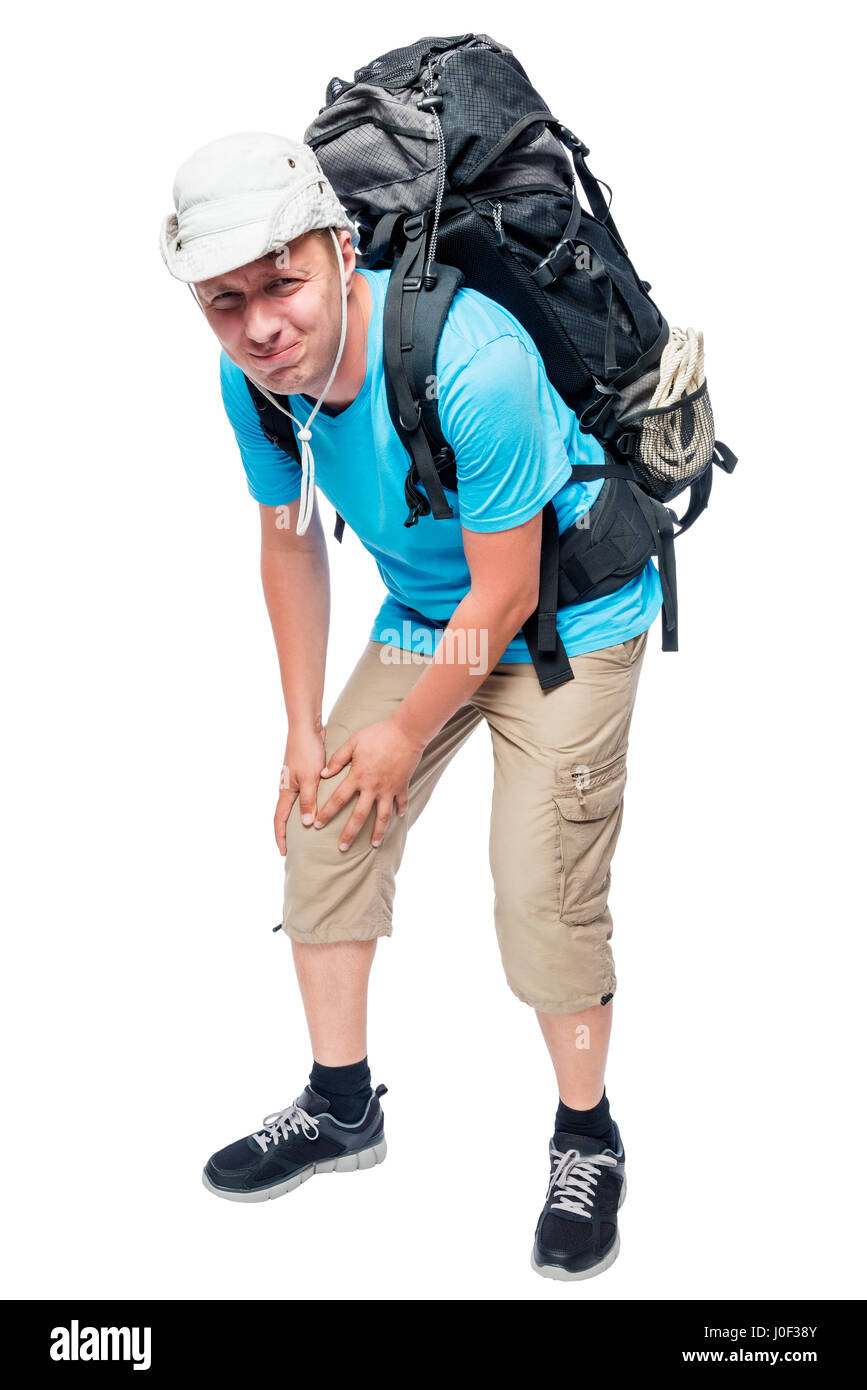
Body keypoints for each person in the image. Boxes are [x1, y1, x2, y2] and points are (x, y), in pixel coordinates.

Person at [160, 131, 662, 1280]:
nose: (259, 324)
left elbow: (512, 587)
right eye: (224, 302)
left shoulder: (469, 359)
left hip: (568, 615)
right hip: (435, 607)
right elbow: (288, 541)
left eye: (281, 281)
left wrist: (398, 730)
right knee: (320, 819)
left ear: (341, 251)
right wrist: (306, 728)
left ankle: (588, 1134)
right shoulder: (258, 382)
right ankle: (343, 1108)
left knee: (541, 889)